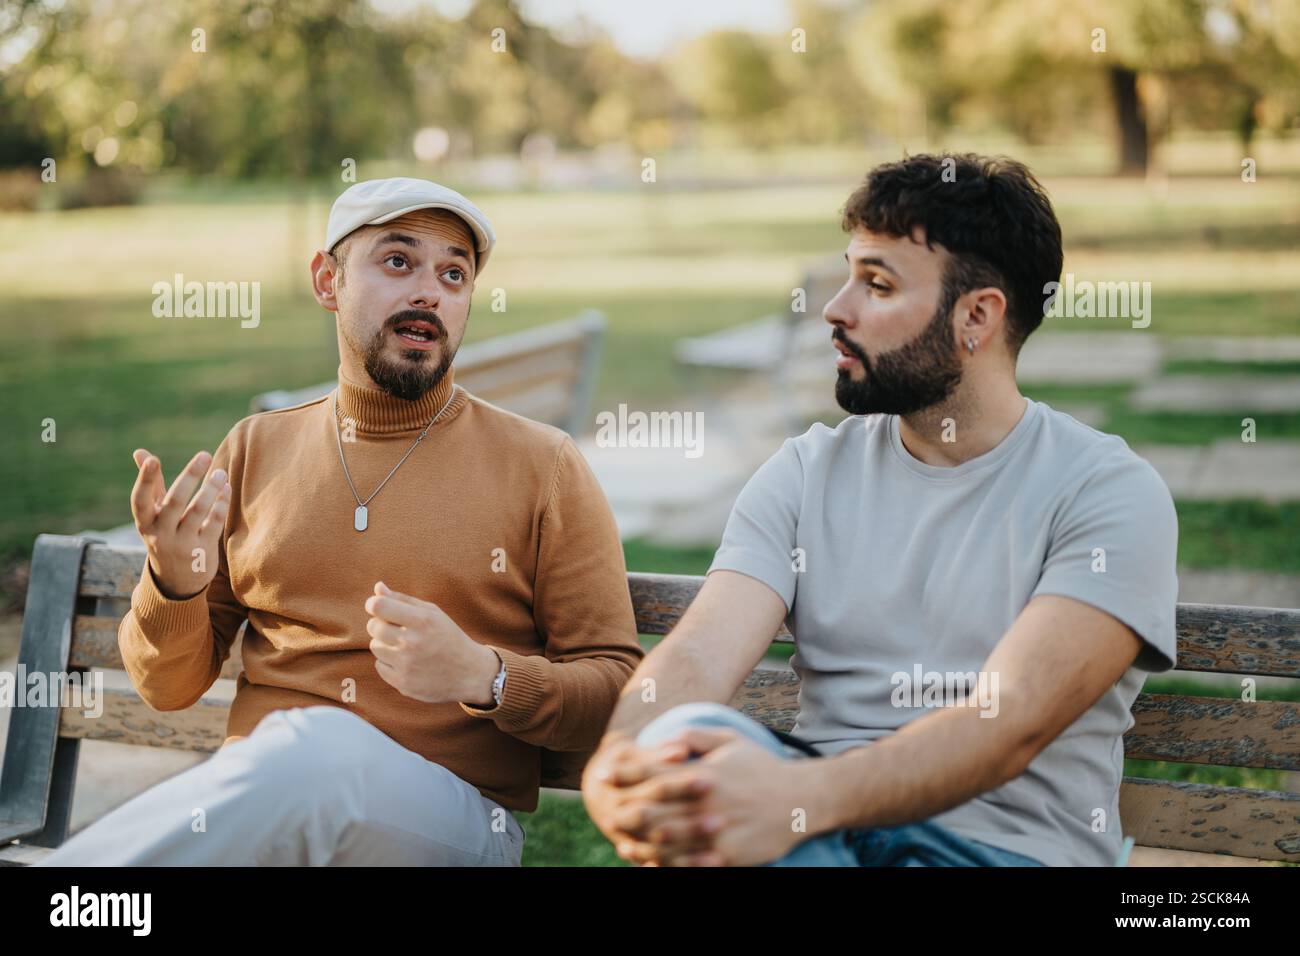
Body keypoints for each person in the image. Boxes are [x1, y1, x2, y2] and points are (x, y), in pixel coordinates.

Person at [581, 153, 1179, 868]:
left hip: (997, 852)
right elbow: (701, 655)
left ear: (977, 317)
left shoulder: (1106, 491)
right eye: (849, 275)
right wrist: (622, 760)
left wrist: (791, 799)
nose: (836, 309)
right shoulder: (805, 473)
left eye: (877, 284)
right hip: (814, 836)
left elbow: (1007, 724)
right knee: (694, 738)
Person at [40, 177, 643, 866]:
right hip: (272, 807)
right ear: (328, 280)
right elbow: (166, 688)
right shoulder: (256, 448)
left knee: (317, 755)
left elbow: (616, 686)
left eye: (454, 273)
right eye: (398, 261)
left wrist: (486, 675)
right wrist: (172, 586)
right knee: (299, 766)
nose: (429, 292)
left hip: (453, 820)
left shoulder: (544, 466)